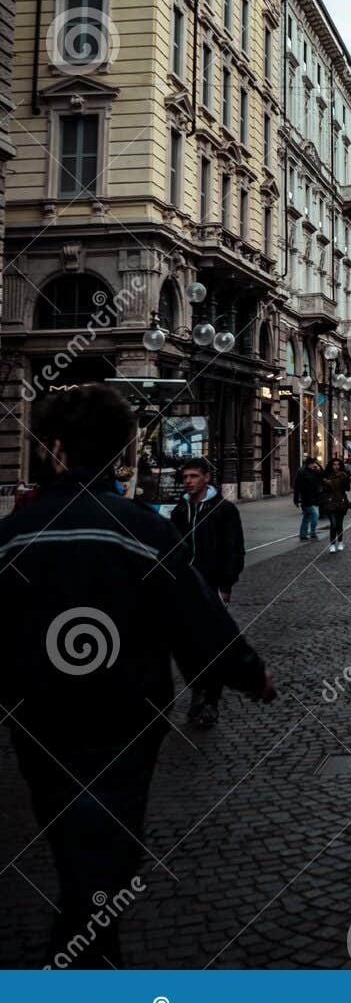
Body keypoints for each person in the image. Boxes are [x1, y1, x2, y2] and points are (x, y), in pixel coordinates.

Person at [0, 385, 275, 967]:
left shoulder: (14, 536)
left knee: (70, 835)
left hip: (38, 718)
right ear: (122, 454)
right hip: (125, 717)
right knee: (107, 850)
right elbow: (196, 616)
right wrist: (249, 673)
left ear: (53, 449)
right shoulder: (142, 530)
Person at [169, 458, 247, 729]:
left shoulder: (224, 510)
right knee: (188, 648)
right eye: (185, 477)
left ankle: (210, 702)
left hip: (212, 586)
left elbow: (234, 547)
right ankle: (198, 694)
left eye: (193, 476)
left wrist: (226, 585)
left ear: (206, 478)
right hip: (183, 589)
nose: (188, 481)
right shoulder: (180, 511)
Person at [321, 455, 351, 554]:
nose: (336, 466)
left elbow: (348, 488)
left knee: (339, 524)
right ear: (331, 466)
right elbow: (323, 490)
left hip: (341, 501)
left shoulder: (343, 475)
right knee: (333, 524)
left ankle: (340, 542)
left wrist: (346, 479)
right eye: (334, 464)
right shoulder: (326, 476)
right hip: (330, 502)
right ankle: (332, 544)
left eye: (338, 464)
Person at [293, 456, 324, 540]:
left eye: (315, 463)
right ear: (309, 464)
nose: (315, 465)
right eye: (314, 463)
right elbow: (297, 486)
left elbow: (322, 476)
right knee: (315, 515)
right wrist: (296, 499)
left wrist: (319, 467)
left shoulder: (313, 471)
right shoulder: (302, 471)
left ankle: (303, 535)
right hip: (306, 498)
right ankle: (313, 533)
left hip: (313, 497)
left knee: (306, 517)